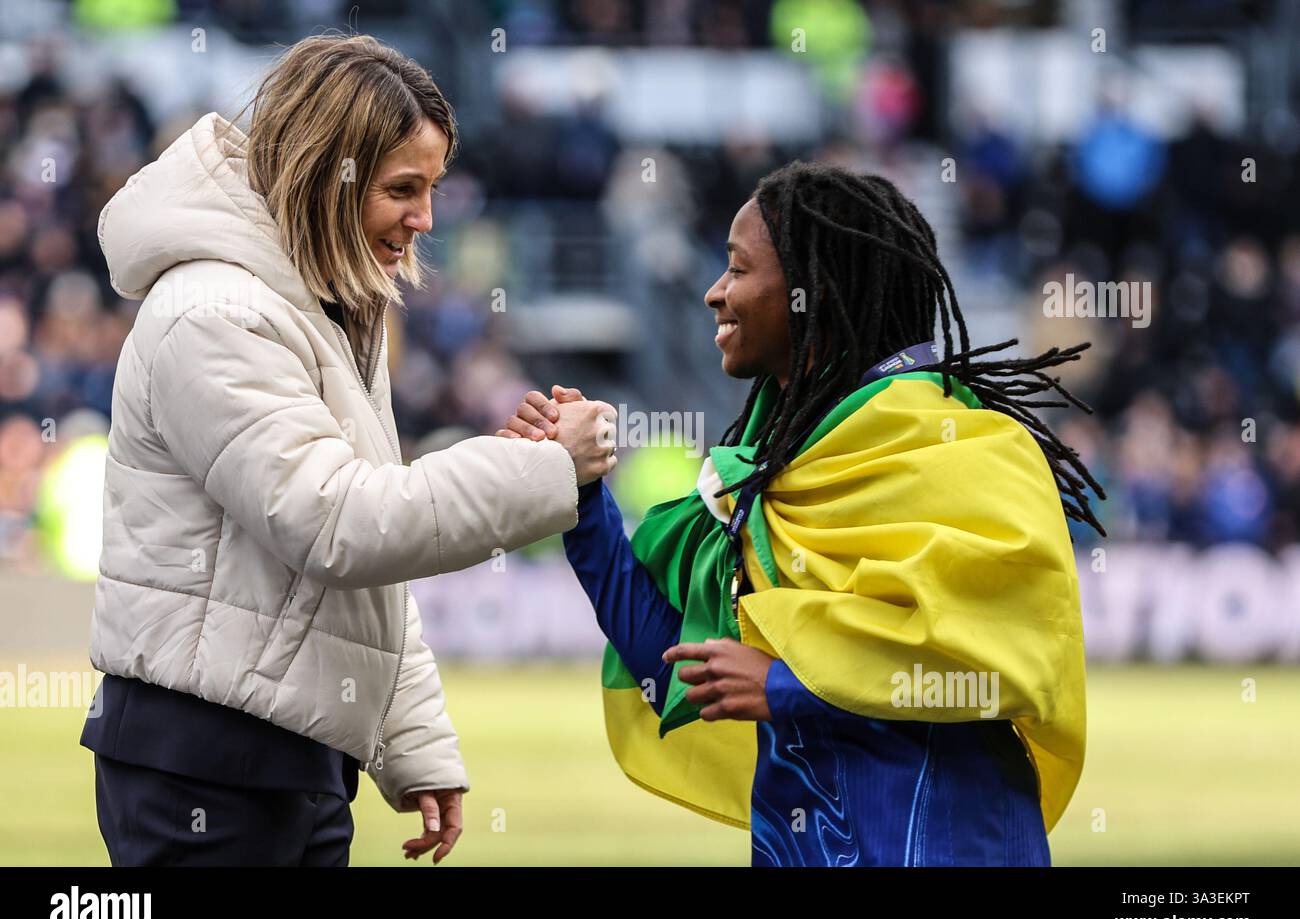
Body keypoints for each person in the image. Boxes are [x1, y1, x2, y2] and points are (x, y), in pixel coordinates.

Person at [82, 33, 616, 866]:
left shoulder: (314, 307)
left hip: (285, 754)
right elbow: (337, 525)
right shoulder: (217, 310)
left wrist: (414, 745)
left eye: (431, 189)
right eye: (403, 188)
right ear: (325, 172)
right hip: (205, 762)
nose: (425, 219)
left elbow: (358, 575)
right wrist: (543, 470)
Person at [501, 161, 1103, 866]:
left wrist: (785, 685)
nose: (714, 292)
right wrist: (579, 492)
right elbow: (677, 676)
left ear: (809, 292)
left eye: (737, 268)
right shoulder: (767, 476)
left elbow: (1000, 666)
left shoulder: (969, 452)